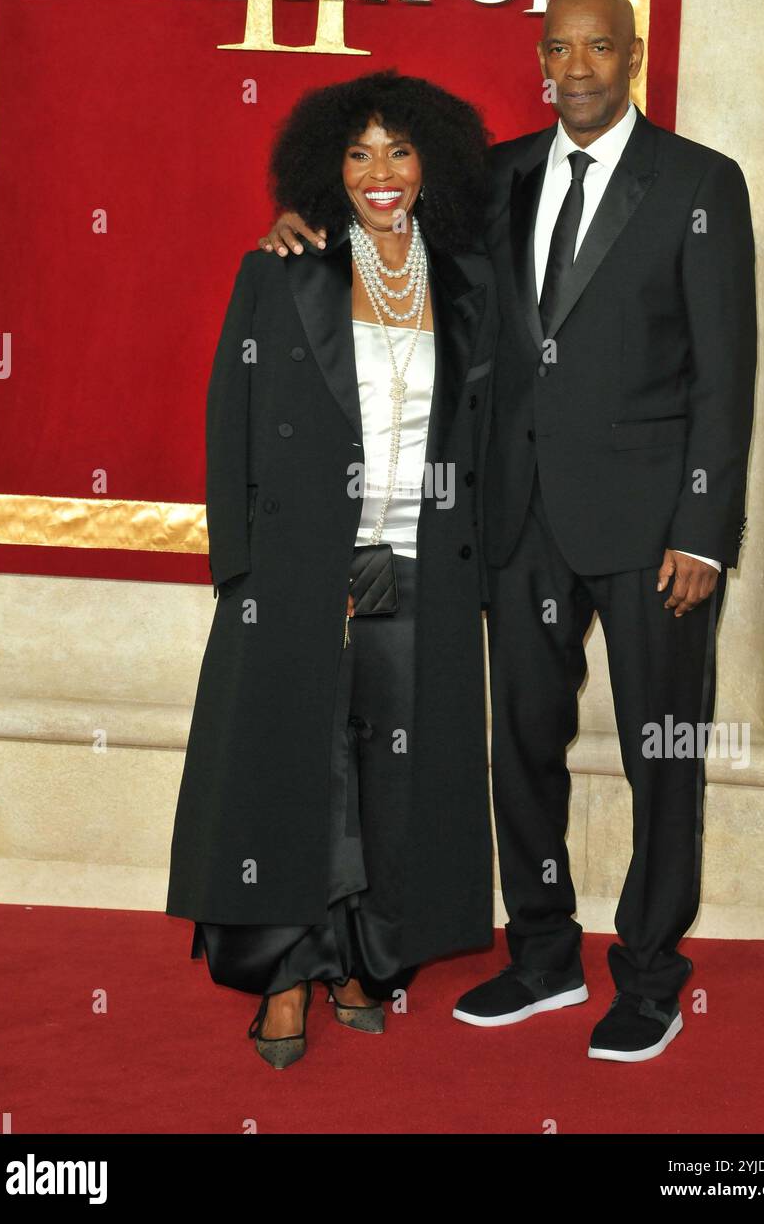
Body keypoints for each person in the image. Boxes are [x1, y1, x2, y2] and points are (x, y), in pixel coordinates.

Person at [260, 0, 757, 1063]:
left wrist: (704, 529)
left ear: (631, 56)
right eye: (558, 48)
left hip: (651, 528)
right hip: (515, 515)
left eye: (597, 48)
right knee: (520, 747)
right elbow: (397, 245)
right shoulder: (500, 176)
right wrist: (303, 224)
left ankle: (651, 972)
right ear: (541, 58)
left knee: (657, 751)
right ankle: (539, 952)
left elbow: (727, 371)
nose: (576, 67)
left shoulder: (699, 183)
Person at [167, 70, 499, 1069]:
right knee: (291, 777)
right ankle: (283, 980)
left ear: (430, 161)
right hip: (300, 571)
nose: (380, 173)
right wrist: (242, 572)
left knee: (392, 777)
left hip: (420, 567)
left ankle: (364, 963)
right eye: (357, 153)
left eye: (399, 150)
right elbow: (231, 416)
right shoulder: (284, 267)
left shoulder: (469, 280)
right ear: (328, 168)